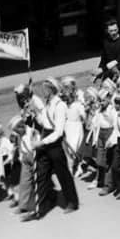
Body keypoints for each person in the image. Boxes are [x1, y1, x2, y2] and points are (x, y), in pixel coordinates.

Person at [23, 78, 79, 220]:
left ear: (51, 89)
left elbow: (58, 131)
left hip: (54, 143)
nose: (42, 92)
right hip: (46, 138)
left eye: (45, 89)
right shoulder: (48, 104)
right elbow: (43, 122)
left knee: (63, 174)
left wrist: (42, 142)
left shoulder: (60, 106)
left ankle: (72, 202)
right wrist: (33, 114)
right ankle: (39, 209)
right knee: (40, 174)